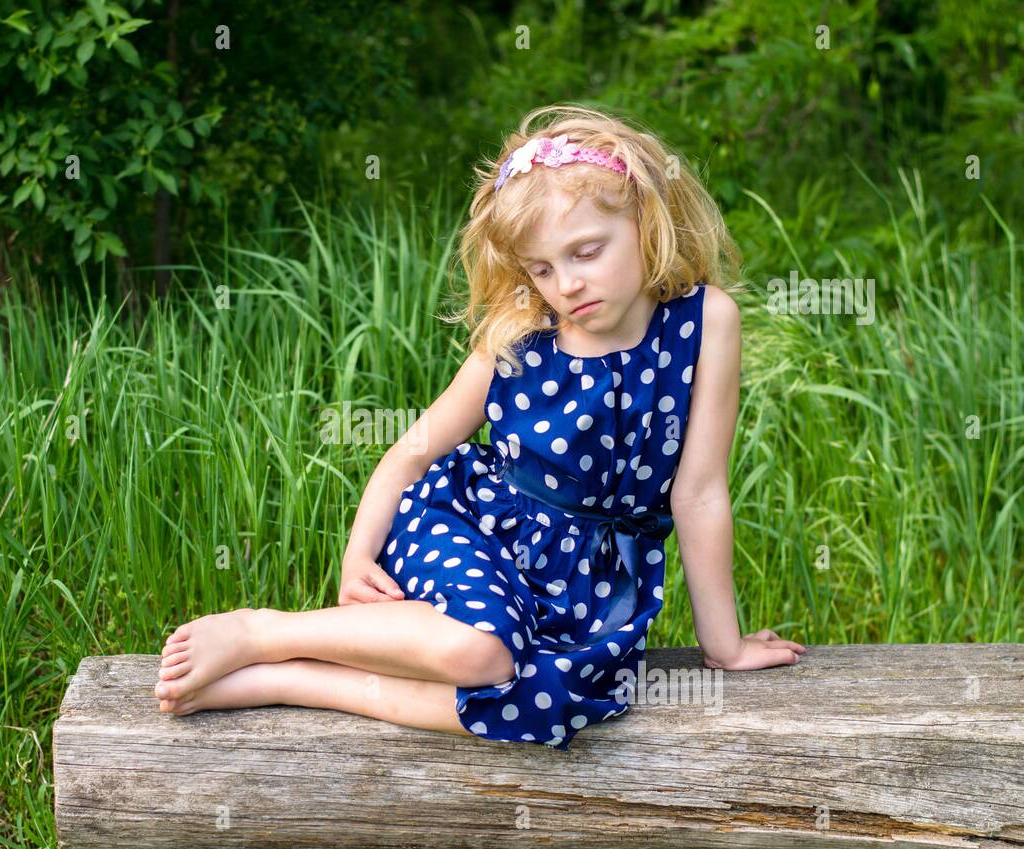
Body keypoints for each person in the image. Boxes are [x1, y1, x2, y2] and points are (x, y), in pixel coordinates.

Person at [155, 104, 807, 750]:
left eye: (586, 252)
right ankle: (264, 633)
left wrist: (724, 647)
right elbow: (412, 451)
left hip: (589, 588)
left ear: (644, 217)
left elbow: (697, 492)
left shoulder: (705, 321)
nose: (567, 284)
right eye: (542, 269)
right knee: (482, 653)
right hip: (474, 525)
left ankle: (284, 680)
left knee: (559, 704)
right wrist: (358, 554)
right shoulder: (524, 332)